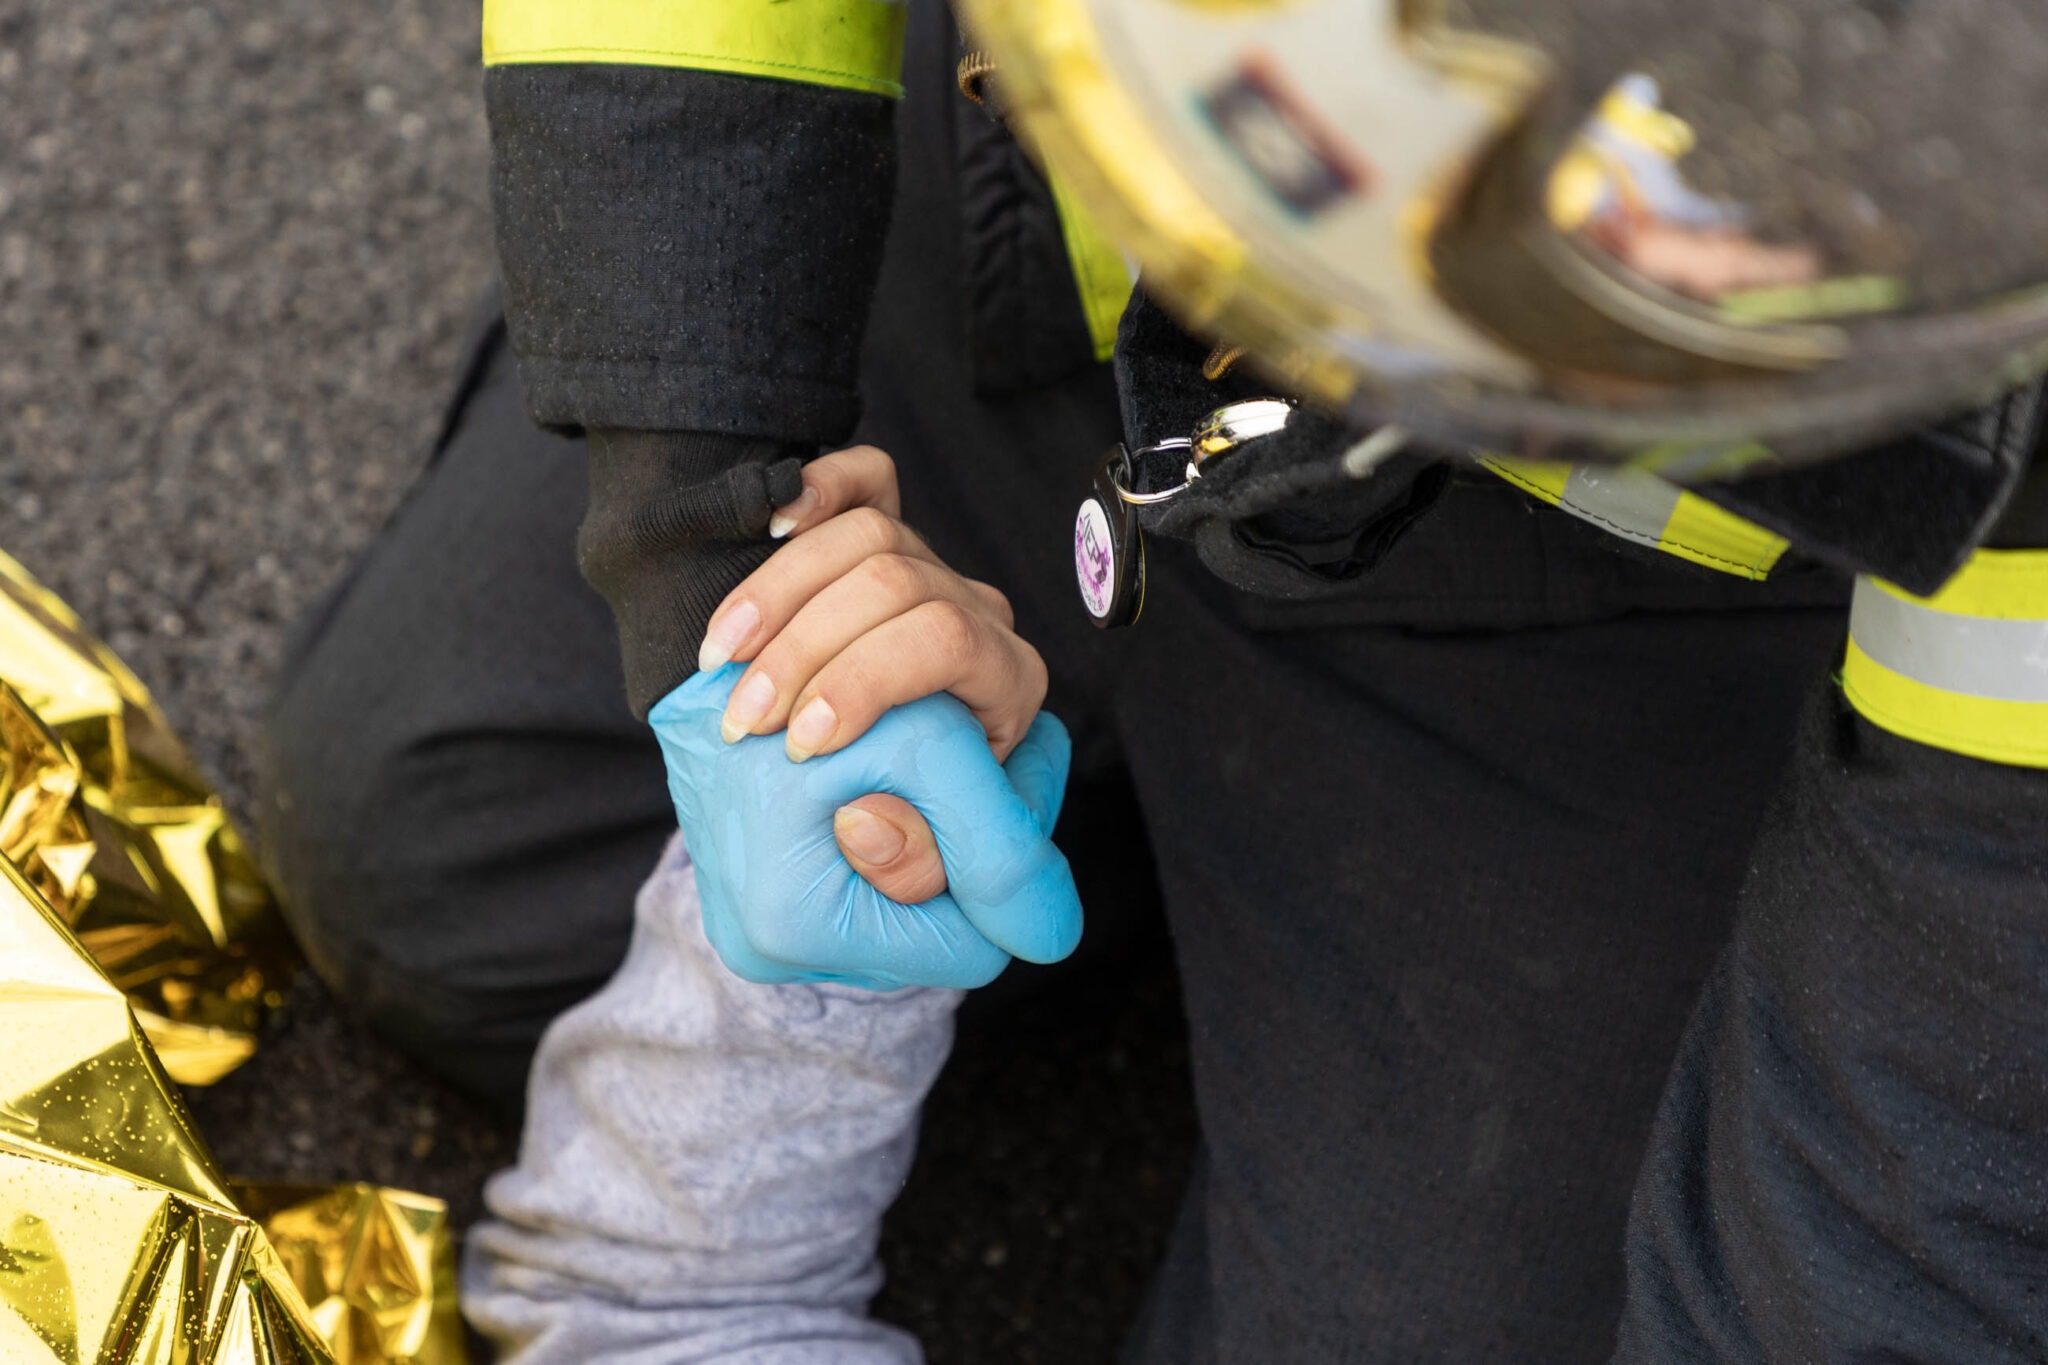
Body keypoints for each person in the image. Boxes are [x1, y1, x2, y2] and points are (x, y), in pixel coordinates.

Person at [261, 0, 2048, 1360]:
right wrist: (712, 529)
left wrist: (808, 886)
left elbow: (1944, 1087)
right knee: (453, 854)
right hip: (1037, 240)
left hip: (1587, 614)